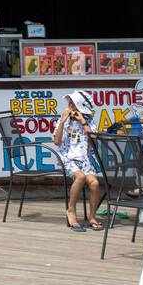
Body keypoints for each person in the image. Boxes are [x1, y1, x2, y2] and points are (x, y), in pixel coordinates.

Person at [53, 90, 103, 232]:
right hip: (68, 157)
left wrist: (82, 121)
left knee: (94, 183)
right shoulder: (64, 119)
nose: (70, 106)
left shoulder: (89, 120)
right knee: (80, 177)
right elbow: (56, 142)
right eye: (69, 103)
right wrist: (62, 121)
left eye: (73, 104)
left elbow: (94, 138)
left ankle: (92, 217)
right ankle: (71, 211)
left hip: (84, 159)